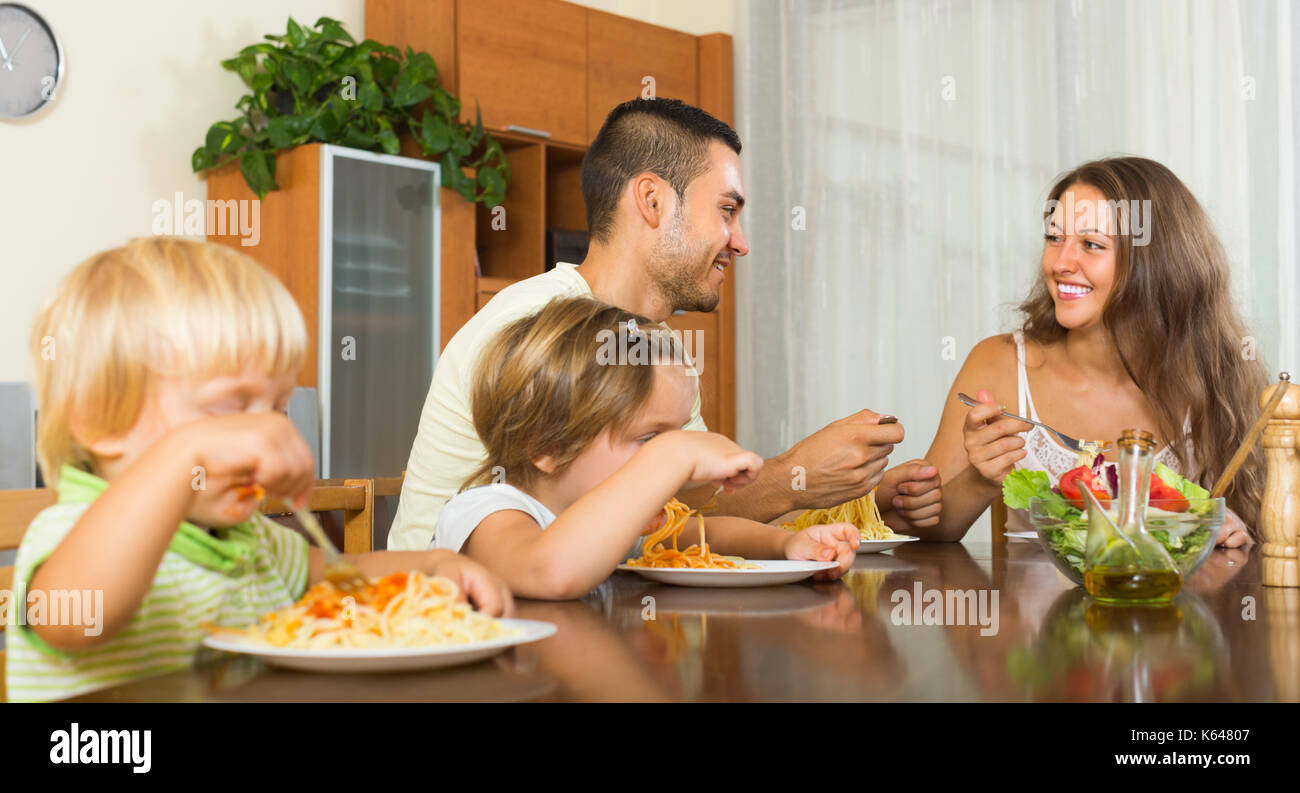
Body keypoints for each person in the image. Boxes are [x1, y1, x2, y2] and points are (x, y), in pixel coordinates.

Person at [390, 97, 940, 549]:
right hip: (452, 626)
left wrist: (848, 493)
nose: (741, 243)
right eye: (727, 210)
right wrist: (796, 473)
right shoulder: (536, 326)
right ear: (651, 200)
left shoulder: (652, 349)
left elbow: (684, 508)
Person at [6, 238, 511, 702]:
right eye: (229, 409)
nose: (265, 435)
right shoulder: (72, 535)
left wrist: (433, 567)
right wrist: (188, 456)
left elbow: (346, 577)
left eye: (278, 409)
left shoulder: (248, 540)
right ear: (99, 417)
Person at [919, 157, 1266, 545]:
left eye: (1091, 244)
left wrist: (1238, 535)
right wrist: (980, 478)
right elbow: (922, 530)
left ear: (1158, 262)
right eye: (1054, 238)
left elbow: (1264, 532)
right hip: (1031, 608)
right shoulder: (999, 364)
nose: (1061, 263)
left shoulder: (1217, 378)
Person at [432, 297, 861, 599]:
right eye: (650, 439)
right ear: (548, 444)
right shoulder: (487, 511)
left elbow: (702, 534)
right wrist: (673, 455)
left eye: (674, 433)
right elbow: (549, 572)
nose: (669, 456)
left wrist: (786, 547)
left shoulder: (618, 517)